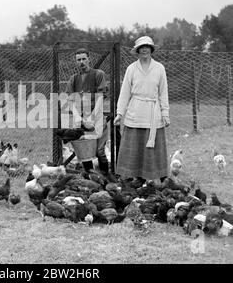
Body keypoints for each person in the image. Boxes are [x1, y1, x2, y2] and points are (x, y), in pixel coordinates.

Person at [113, 36, 170, 183]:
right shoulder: (131, 69)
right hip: (135, 112)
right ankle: (136, 177)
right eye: (141, 47)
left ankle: (156, 176)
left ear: (151, 49)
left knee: (153, 147)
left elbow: (163, 93)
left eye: (147, 47)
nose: (144, 49)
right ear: (137, 51)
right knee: (135, 147)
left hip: (153, 113)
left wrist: (165, 113)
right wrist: (120, 113)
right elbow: (125, 92)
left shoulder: (159, 68)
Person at [66, 48, 117, 183]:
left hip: (97, 117)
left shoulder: (98, 74)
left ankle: (106, 175)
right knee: (84, 151)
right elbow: (70, 100)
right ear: (76, 62)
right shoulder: (73, 79)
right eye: (78, 60)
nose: (81, 62)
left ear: (89, 59)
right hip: (81, 118)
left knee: (100, 150)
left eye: (84, 59)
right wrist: (77, 117)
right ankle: (91, 177)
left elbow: (101, 97)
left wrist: (92, 118)